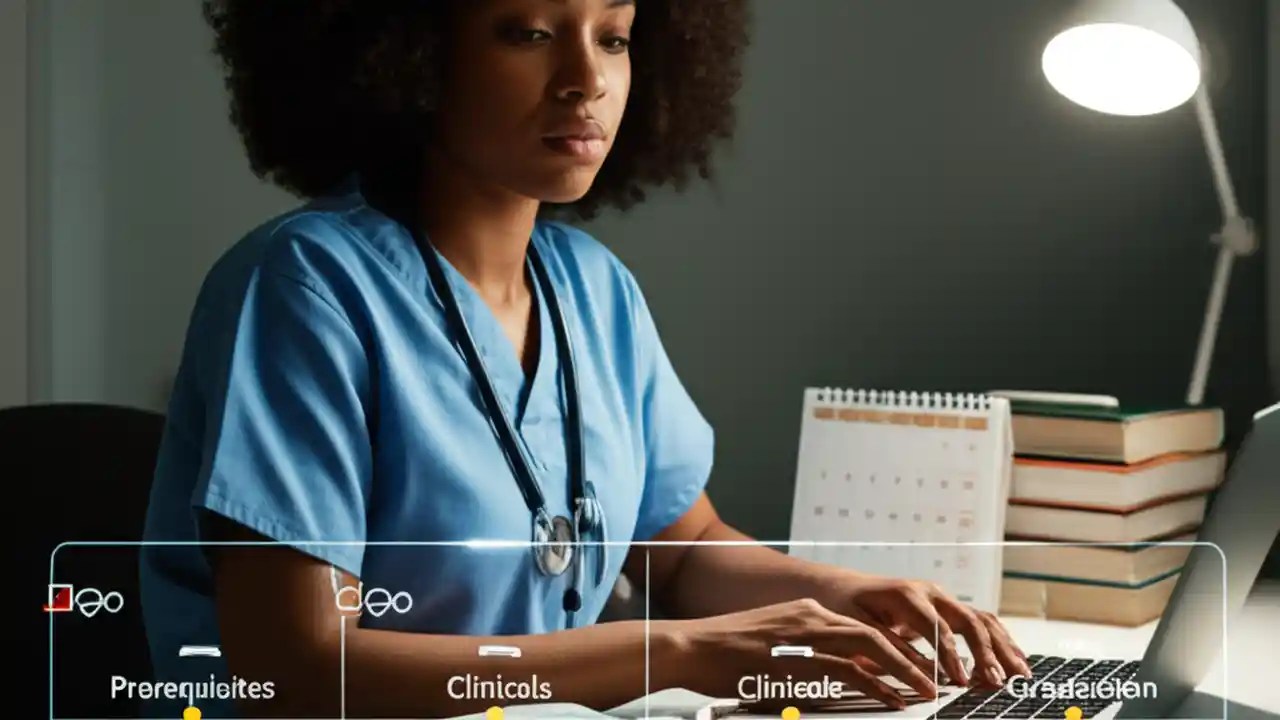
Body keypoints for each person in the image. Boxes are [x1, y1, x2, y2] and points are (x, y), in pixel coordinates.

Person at [139, 0, 1030, 717]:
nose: (586, 81)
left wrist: (844, 594)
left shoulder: (593, 289)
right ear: (411, 51)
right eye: (530, 33)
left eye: (615, 36)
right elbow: (301, 669)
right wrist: (678, 654)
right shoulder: (305, 287)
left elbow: (682, 551)